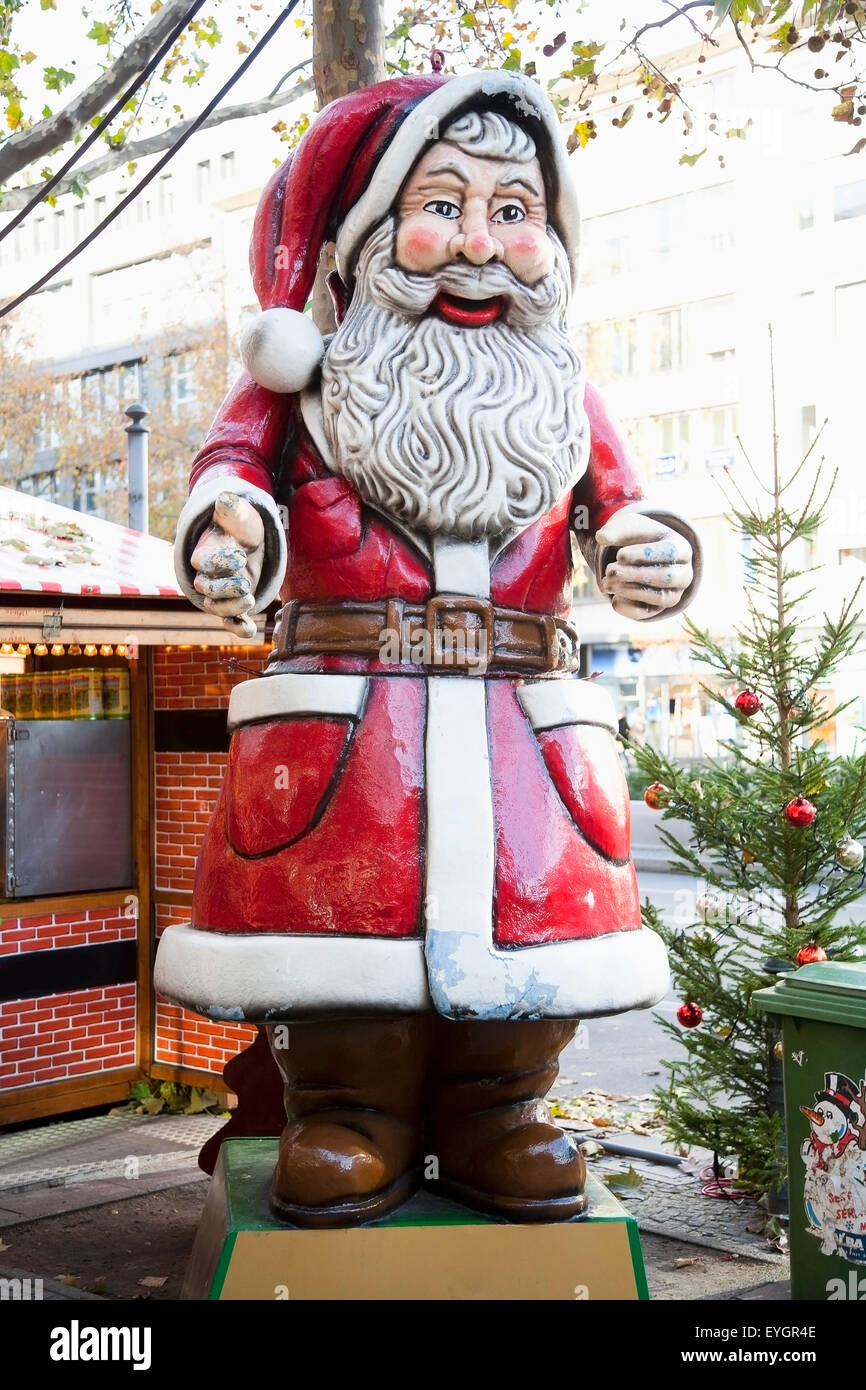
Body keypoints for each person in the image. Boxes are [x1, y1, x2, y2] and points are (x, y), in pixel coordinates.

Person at [156, 71, 701, 1227]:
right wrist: (232, 528)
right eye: (442, 203)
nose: (480, 245)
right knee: (343, 940)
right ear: (365, 238)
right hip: (353, 728)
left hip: (520, 726)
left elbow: (627, 510)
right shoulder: (297, 382)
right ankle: (351, 1113)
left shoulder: (562, 390)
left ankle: (499, 1110)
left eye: (513, 210)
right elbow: (226, 479)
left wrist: (650, 550)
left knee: (527, 933)